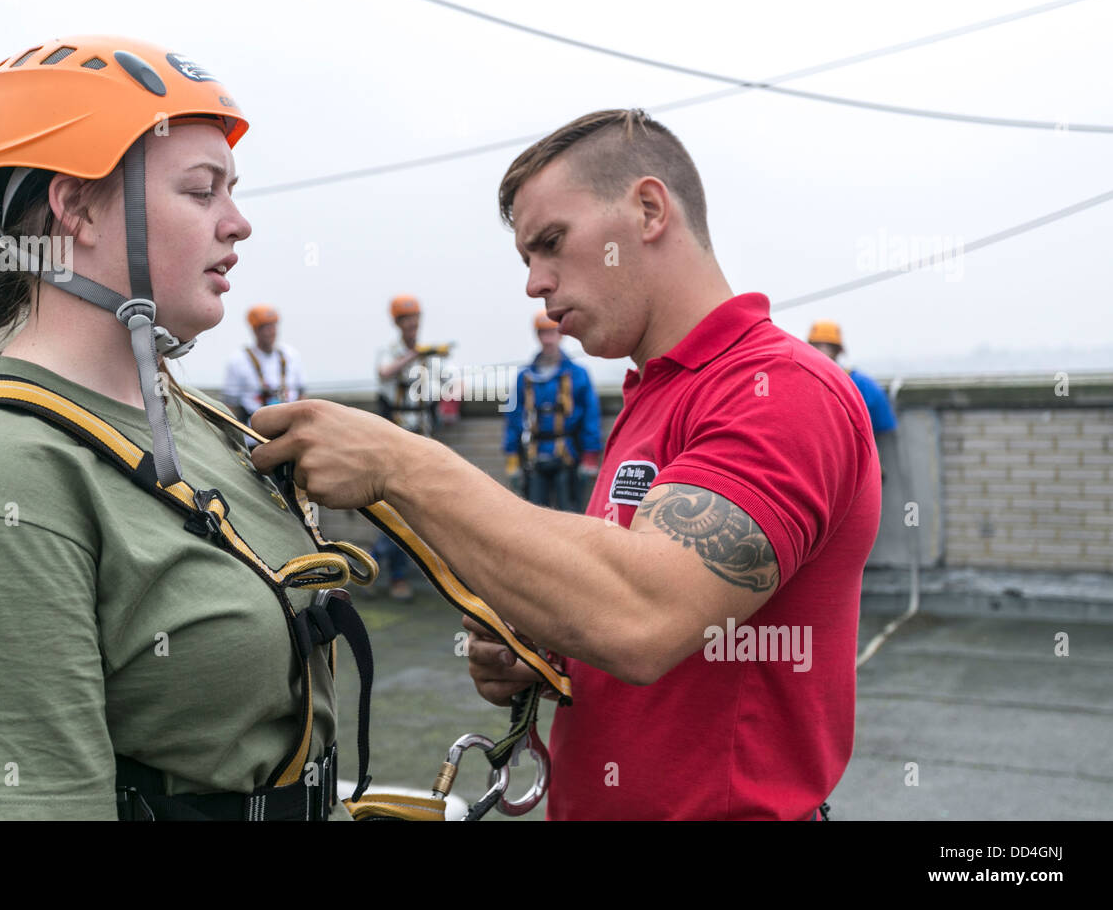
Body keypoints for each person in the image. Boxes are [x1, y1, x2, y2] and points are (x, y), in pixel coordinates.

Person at [250, 109, 882, 820]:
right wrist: (550, 651)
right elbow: (637, 612)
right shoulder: (655, 391)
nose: (535, 285)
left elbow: (646, 616)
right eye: (526, 259)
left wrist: (400, 463)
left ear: (648, 209)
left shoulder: (780, 390)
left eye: (551, 243)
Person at [0, 36, 351, 821]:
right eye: (202, 191)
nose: (239, 223)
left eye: (234, 190)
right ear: (75, 207)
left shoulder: (199, 422)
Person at [372, 295, 450, 601]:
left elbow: (452, 381)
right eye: (406, 320)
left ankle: (377, 561)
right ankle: (391, 572)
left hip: (423, 439)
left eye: (415, 319)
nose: (412, 325)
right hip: (394, 442)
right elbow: (384, 373)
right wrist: (413, 355)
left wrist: (450, 398)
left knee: (415, 510)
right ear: (398, 323)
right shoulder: (390, 352)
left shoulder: (431, 356)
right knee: (397, 509)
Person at [504, 311, 602, 510]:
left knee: (570, 512)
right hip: (534, 455)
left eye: (552, 333)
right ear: (537, 336)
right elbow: (513, 417)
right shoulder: (525, 376)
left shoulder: (577, 373)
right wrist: (512, 456)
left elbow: (590, 416)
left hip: (568, 453)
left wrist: (590, 455)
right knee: (534, 513)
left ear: (561, 334)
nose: (548, 339)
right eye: (543, 334)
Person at [807, 320, 898, 438]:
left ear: (838, 351)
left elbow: (884, 427)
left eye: (827, 347)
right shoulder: (802, 383)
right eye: (817, 346)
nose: (821, 352)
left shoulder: (862, 385)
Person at [222, 304, 307, 422]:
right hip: (254, 429)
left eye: (272, 326)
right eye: (263, 327)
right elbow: (231, 404)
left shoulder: (291, 355)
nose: (269, 332)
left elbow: (301, 394)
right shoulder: (238, 360)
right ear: (254, 330)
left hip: (288, 424)